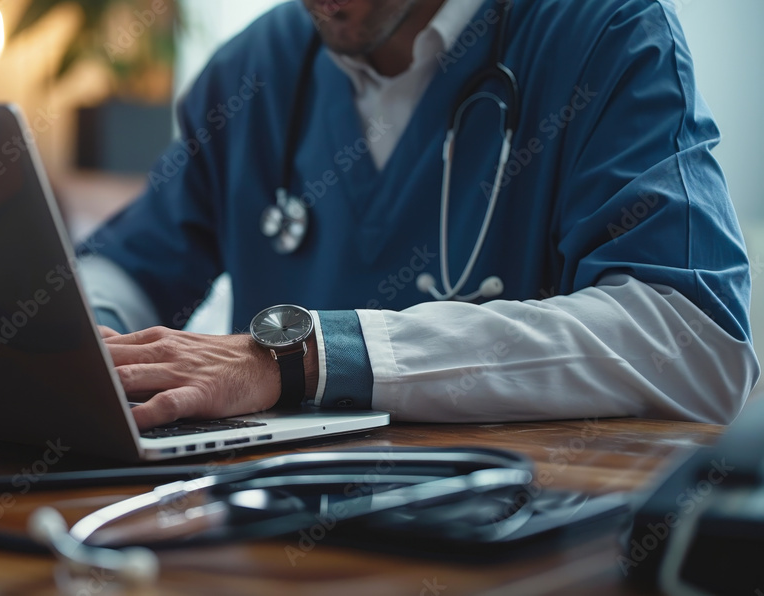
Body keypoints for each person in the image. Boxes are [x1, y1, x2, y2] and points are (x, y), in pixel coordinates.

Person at [75, 0, 759, 431]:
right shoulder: (252, 68)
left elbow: (696, 343)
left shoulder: (604, 31)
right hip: (263, 533)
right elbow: (129, 262)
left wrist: (306, 358)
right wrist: (84, 343)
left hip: (514, 534)